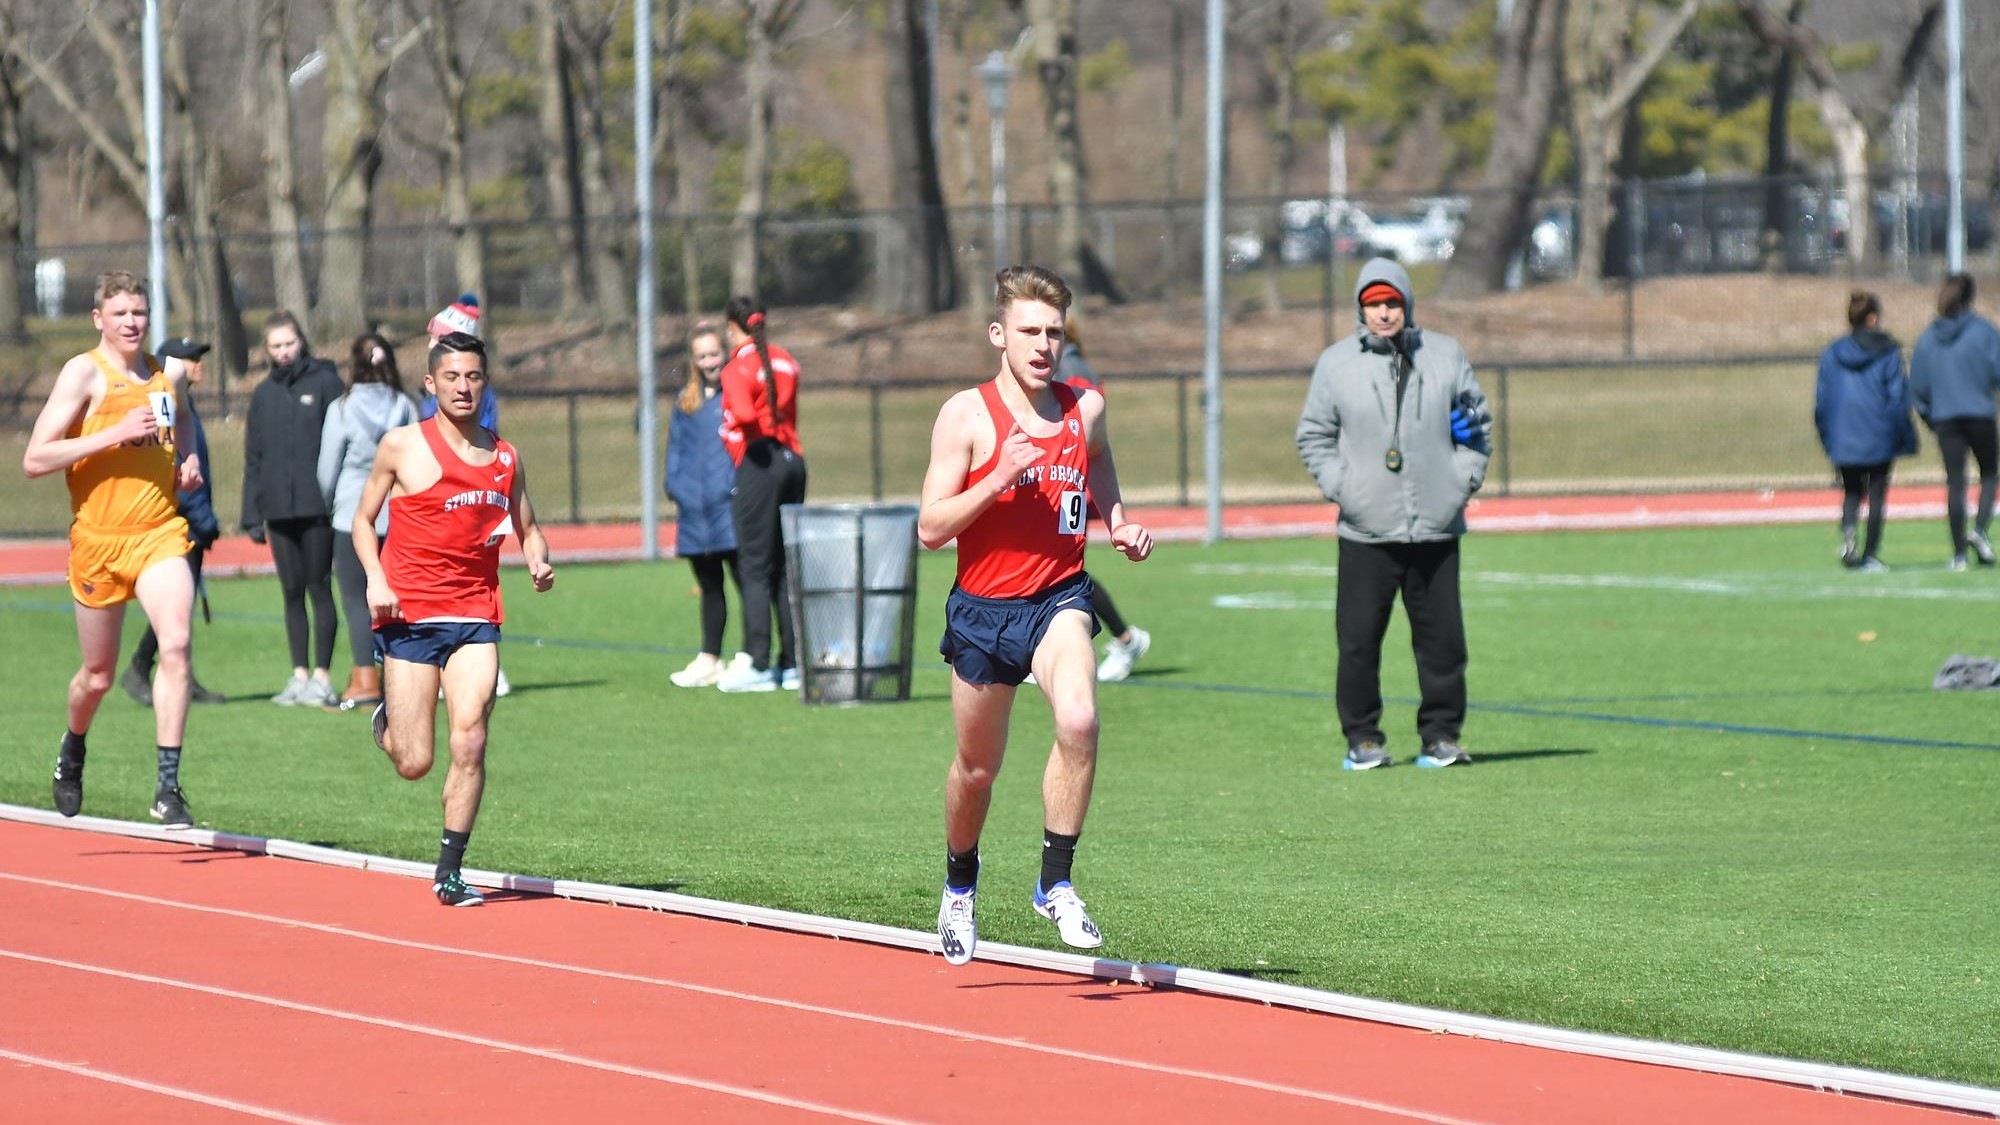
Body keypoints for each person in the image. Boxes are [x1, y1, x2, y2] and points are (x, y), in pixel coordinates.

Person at [919, 265, 1154, 966]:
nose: (1043, 345)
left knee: (1079, 718)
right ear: (999, 336)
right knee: (976, 770)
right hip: (983, 612)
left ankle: (1055, 881)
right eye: (1029, 331)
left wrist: (1117, 521)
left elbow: (1099, 462)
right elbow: (930, 528)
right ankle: (961, 879)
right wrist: (996, 478)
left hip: (1059, 598)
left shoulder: (1085, 406)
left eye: (1054, 331)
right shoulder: (966, 415)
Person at [351, 332, 555, 906]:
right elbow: (363, 522)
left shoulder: (505, 456)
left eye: (473, 377)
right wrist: (376, 578)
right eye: (452, 378)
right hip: (408, 615)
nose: (463, 387)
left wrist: (537, 556)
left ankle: (450, 869)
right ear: (431, 384)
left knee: (471, 738)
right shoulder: (401, 446)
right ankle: (387, 723)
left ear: (484, 383)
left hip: (474, 614)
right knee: (415, 762)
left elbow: (528, 524)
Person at [23, 271, 204, 827]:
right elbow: (35, 459)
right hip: (99, 542)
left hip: (157, 533)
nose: (132, 323)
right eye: (121, 314)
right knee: (97, 676)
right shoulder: (84, 372)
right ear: (99, 319)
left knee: (175, 644)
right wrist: (112, 433)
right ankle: (73, 746)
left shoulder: (160, 376)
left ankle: (168, 788)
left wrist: (188, 462)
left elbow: (182, 427)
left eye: (140, 313)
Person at [1295, 257, 1489, 772]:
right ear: (1361, 308)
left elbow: (1476, 428)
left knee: (1443, 642)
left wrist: (1460, 483)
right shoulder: (1336, 363)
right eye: (1374, 304)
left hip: (1436, 527)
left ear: (1407, 304)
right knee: (1358, 643)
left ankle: (1441, 736)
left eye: (1392, 303)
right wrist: (1345, 489)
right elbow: (1313, 435)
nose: (1384, 313)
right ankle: (1363, 738)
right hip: (1365, 530)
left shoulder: (1446, 355)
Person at [242, 309, 347, 706]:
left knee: (319, 586)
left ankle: (322, 676)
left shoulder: (325, 382)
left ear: (300, 340)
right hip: (278, 511)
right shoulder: (264, 394)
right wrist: (252, 512)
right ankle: (298, 675)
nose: (284, 352)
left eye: (289, 343)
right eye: (276, 346)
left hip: (318, 508)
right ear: (266, 350)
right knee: (290, 590)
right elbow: (254, 455)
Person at [120, 336, 225, 708]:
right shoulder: (166, 405)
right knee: (173, 605)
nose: (199, 364)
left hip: (191, 520)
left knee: (183, 604)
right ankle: (138, 667)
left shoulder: (185, 405)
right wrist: (203, 519)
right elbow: (174, 466)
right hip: (178, 522)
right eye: (192, 358)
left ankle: (182, 674)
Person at [712, 296, 809, 693]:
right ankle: (793, 661)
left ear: (732, 327)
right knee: (785, 564)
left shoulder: (737, 366)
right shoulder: (786, 359)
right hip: (793, 460)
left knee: (754, 565)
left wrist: (745, 429)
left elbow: (746, 415)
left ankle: (756, 660)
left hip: (760, 461)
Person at [318, 333, 418, 710]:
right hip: (397, 514)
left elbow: (328, 468)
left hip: (350, 512)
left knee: (357, 600)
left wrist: (326, 504)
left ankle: (365, 678)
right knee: (398, 599)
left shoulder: (341, 409)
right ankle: (403, 676)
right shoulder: (405, 405)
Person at [417, 293, 509, 697]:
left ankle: (481, 660)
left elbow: (478, 445)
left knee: (472, 575)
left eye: (436, 337)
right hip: (440, 493)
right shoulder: (436, 388)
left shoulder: (472, 392)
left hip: (470, 497)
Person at [1051, 312, 1152, 683]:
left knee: (1065, 570)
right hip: (1059, 483)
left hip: (1068, 486)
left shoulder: (1073, 372)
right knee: (1053, 567)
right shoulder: (1064, 368)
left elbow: (1079, 433)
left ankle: (1125, 638)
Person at [664, 321, 744, 688]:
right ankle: (710, 657)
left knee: (748, 584)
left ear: (725, 353)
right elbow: (675, 452)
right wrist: (677, 488)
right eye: (702, 356)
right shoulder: (686, 401)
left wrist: (733, 489)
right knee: (710, 586)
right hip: (695, 514)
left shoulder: (737, 394)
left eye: (714, 353)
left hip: (730, 510)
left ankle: (752, 656)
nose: (710, 361)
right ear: (693, 361)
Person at [1814, 291, 1918, 573]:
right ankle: (1870, 553)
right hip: (1879, 431)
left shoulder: (1833, 352)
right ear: (1872, 318)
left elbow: (1822, 400)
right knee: (1876, 494)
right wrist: (1902, 433)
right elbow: (1897, 396)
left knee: (1850, 491)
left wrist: (1827, 435)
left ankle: (1849, 535)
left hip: (1843, 433)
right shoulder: (1887, 351)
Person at [1910, 272, 2000, 571]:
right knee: (1989, 473)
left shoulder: (1929, 337)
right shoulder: (1984, 332)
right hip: (1980, 414)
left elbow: (1918, 386)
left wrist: (1930, 415)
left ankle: (1959, 553)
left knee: (1955, 483)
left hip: (1946, 418)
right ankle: (1980, 529)